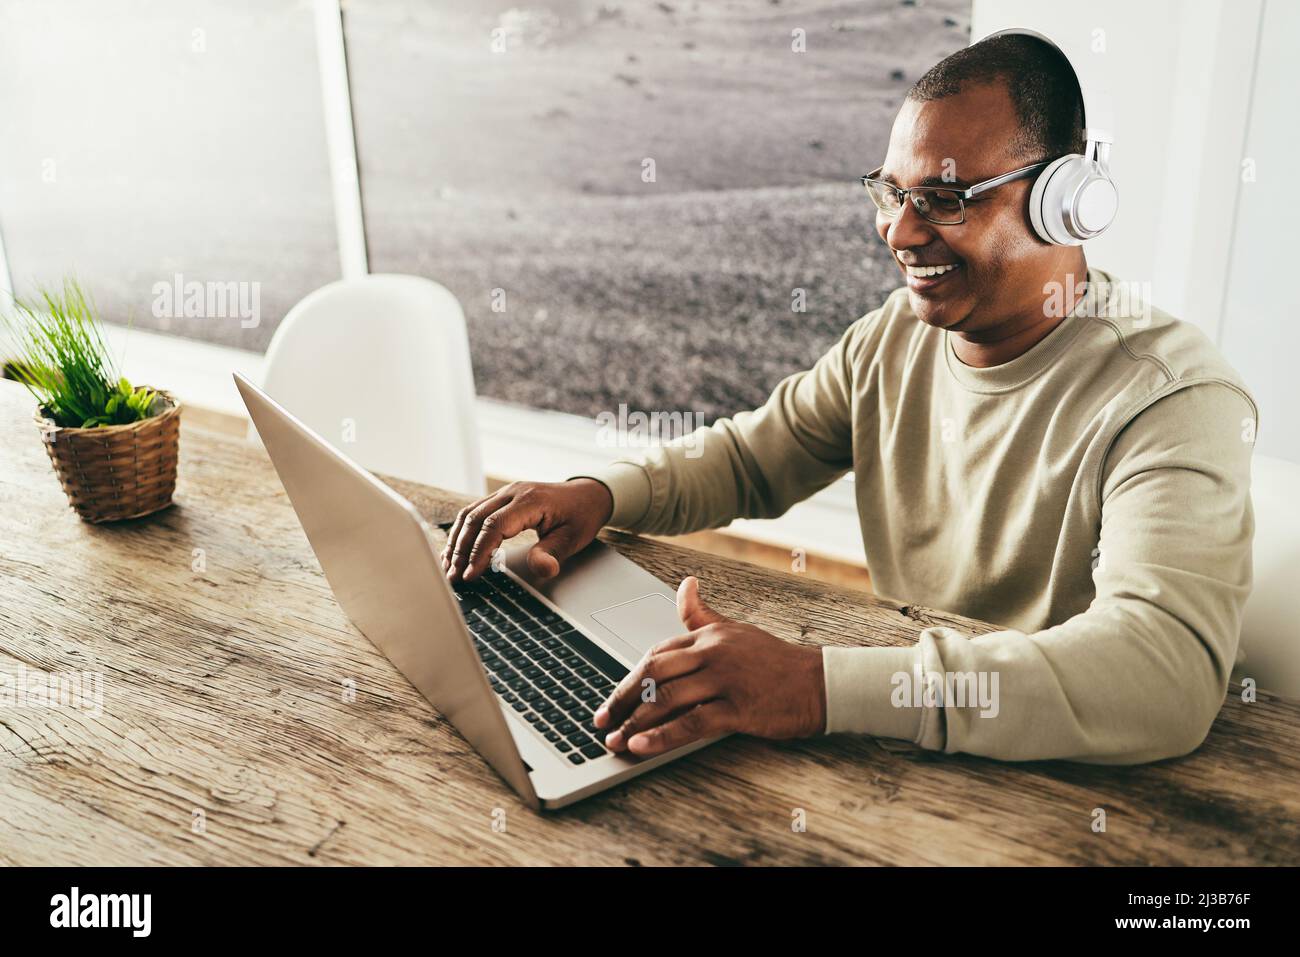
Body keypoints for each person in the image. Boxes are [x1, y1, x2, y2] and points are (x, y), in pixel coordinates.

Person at [441, 34, 1257, 765]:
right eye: (890, 193)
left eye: (942, 199)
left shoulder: (1172, 397)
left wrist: (816, 685)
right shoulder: (891, 339)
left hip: (1055, 786)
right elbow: (751, 457)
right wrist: (599, 493)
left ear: (1063, 199)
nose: (899, 234)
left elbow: (1163, 676)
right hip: (896, 754)